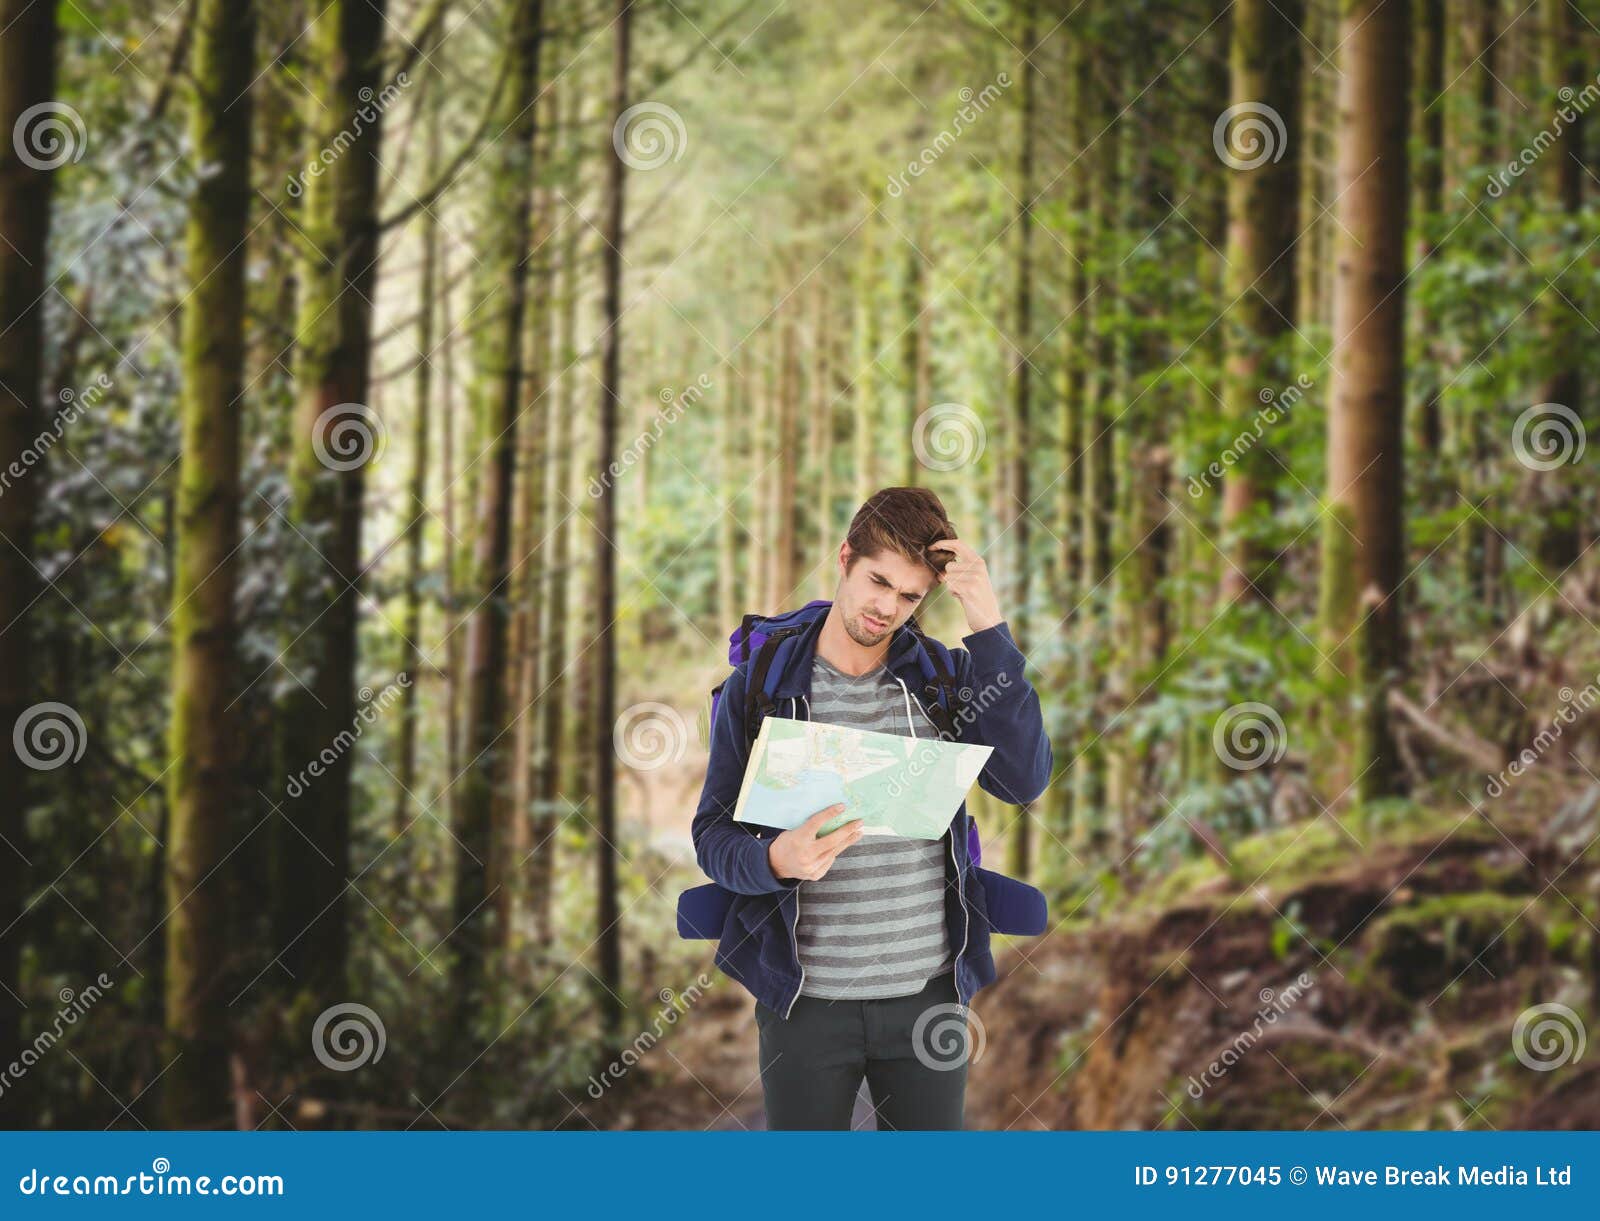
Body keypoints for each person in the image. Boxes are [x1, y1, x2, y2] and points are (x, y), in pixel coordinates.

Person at [690, 486, 1053, 1129]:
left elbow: (1023, 781)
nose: (887, 608)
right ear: (845, 558)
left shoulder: (942, 682)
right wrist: (774, 858)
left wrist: (990, 628)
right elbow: (712, 836)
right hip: (804, 1003)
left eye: (910, 596)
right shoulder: (764, 688)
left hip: (928, 1002)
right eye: (878, 582)